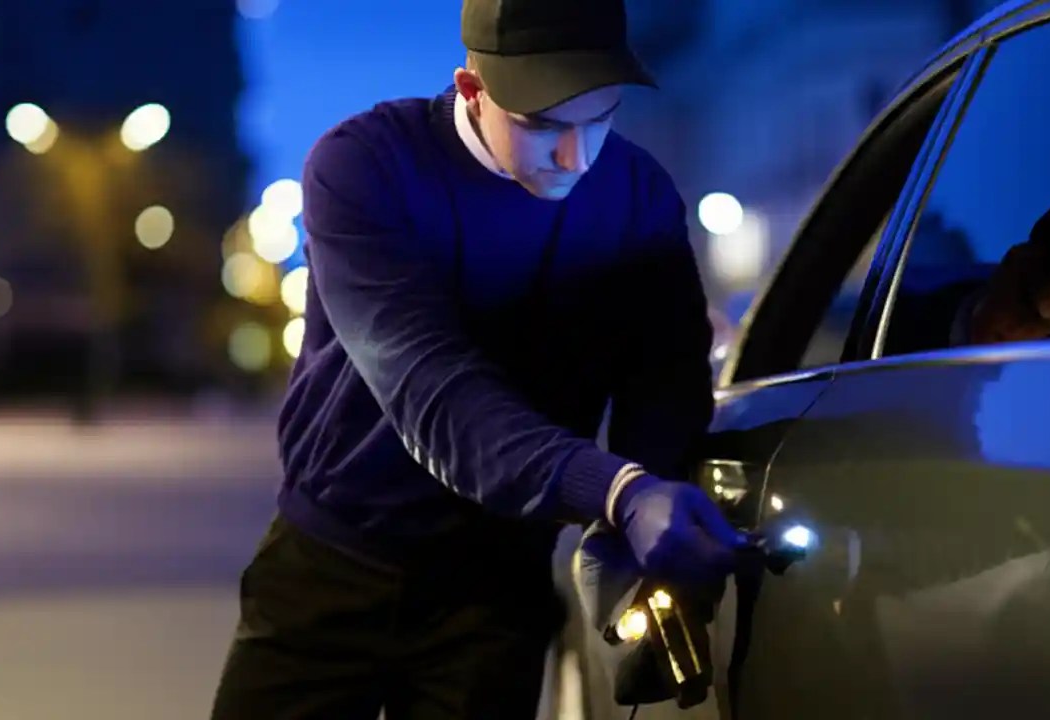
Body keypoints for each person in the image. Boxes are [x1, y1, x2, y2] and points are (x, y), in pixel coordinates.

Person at [208, 1, 746, 718]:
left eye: (600, 118)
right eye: (545, 125)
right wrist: (619, 490)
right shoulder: (365, 168)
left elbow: (666, 379)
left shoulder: (635, 195)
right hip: (332, 564)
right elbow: (432, 392)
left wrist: (644, 556)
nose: (575, 158)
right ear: (470, 89)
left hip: (498, 592)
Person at [886, 194, 1050, 355]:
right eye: (1025, 302)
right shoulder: (891, 320)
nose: (1018, 330)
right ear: (1012, 259)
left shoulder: (1035, 411)